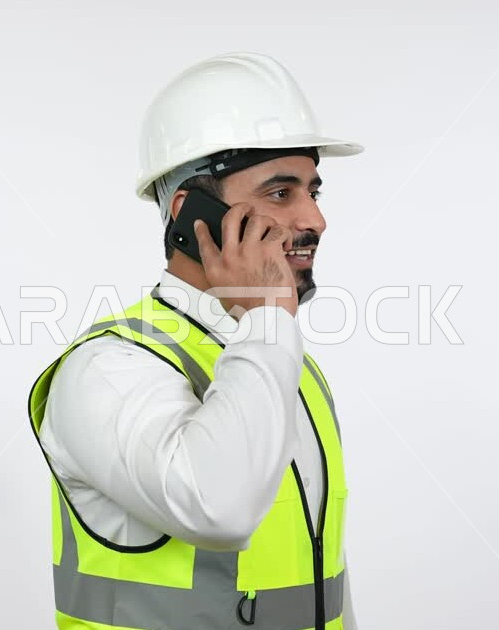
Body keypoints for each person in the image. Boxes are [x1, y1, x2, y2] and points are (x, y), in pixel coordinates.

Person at [27, 51, 363, 630]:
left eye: (314, 190)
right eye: (281, 193)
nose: (316, 220)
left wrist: (266, 328)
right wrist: (267, 322)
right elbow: (221, 510)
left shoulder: (285, 363)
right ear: (192, 216)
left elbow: (316, 575)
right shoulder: (109, 368)